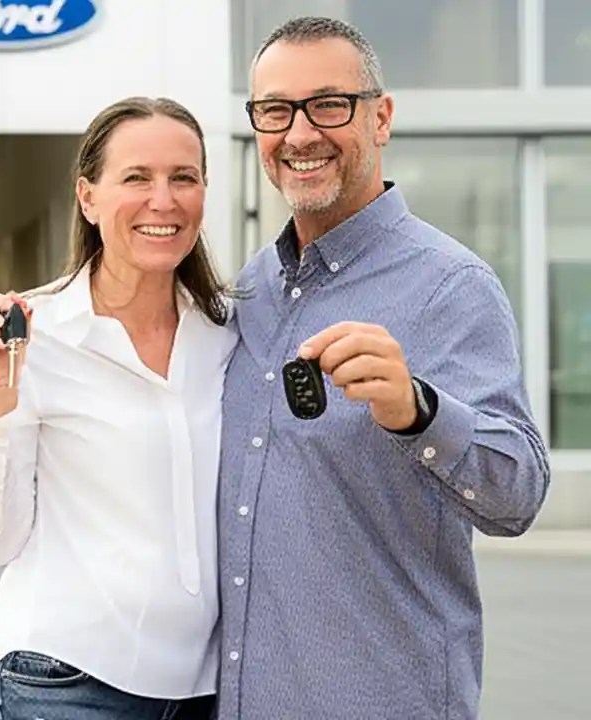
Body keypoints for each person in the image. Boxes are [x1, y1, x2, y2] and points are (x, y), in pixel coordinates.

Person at [215, 16, 551, 720]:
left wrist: (419, 410)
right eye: (276, 110)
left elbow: (518, 494)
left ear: (381, 117)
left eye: (329, 104)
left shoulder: (449, 285)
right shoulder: (253, 291)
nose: (300, 133)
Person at [0, 96, 236, 720]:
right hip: (66, 681)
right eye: (136, 177)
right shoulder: (30, 332)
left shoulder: (228, 334)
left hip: (204, 689)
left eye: (183, 178)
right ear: (88, 197)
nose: (163, 200)